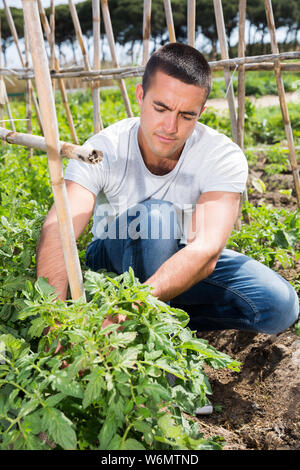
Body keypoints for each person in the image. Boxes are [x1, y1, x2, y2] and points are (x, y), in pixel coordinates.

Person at [37, 42, 299, 337]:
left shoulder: (220, 155)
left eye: (187, 115)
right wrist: (54, 322)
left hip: (180, 257)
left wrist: (131, 307)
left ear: (201, 111)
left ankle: (165, 317)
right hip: (113, 253)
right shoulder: (103, 149)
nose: (170, 126)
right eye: (160, 108)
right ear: (140, 95)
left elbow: (206, 250)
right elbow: (60, 227)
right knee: (155, 217)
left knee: (278, 306)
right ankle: (157, 343)